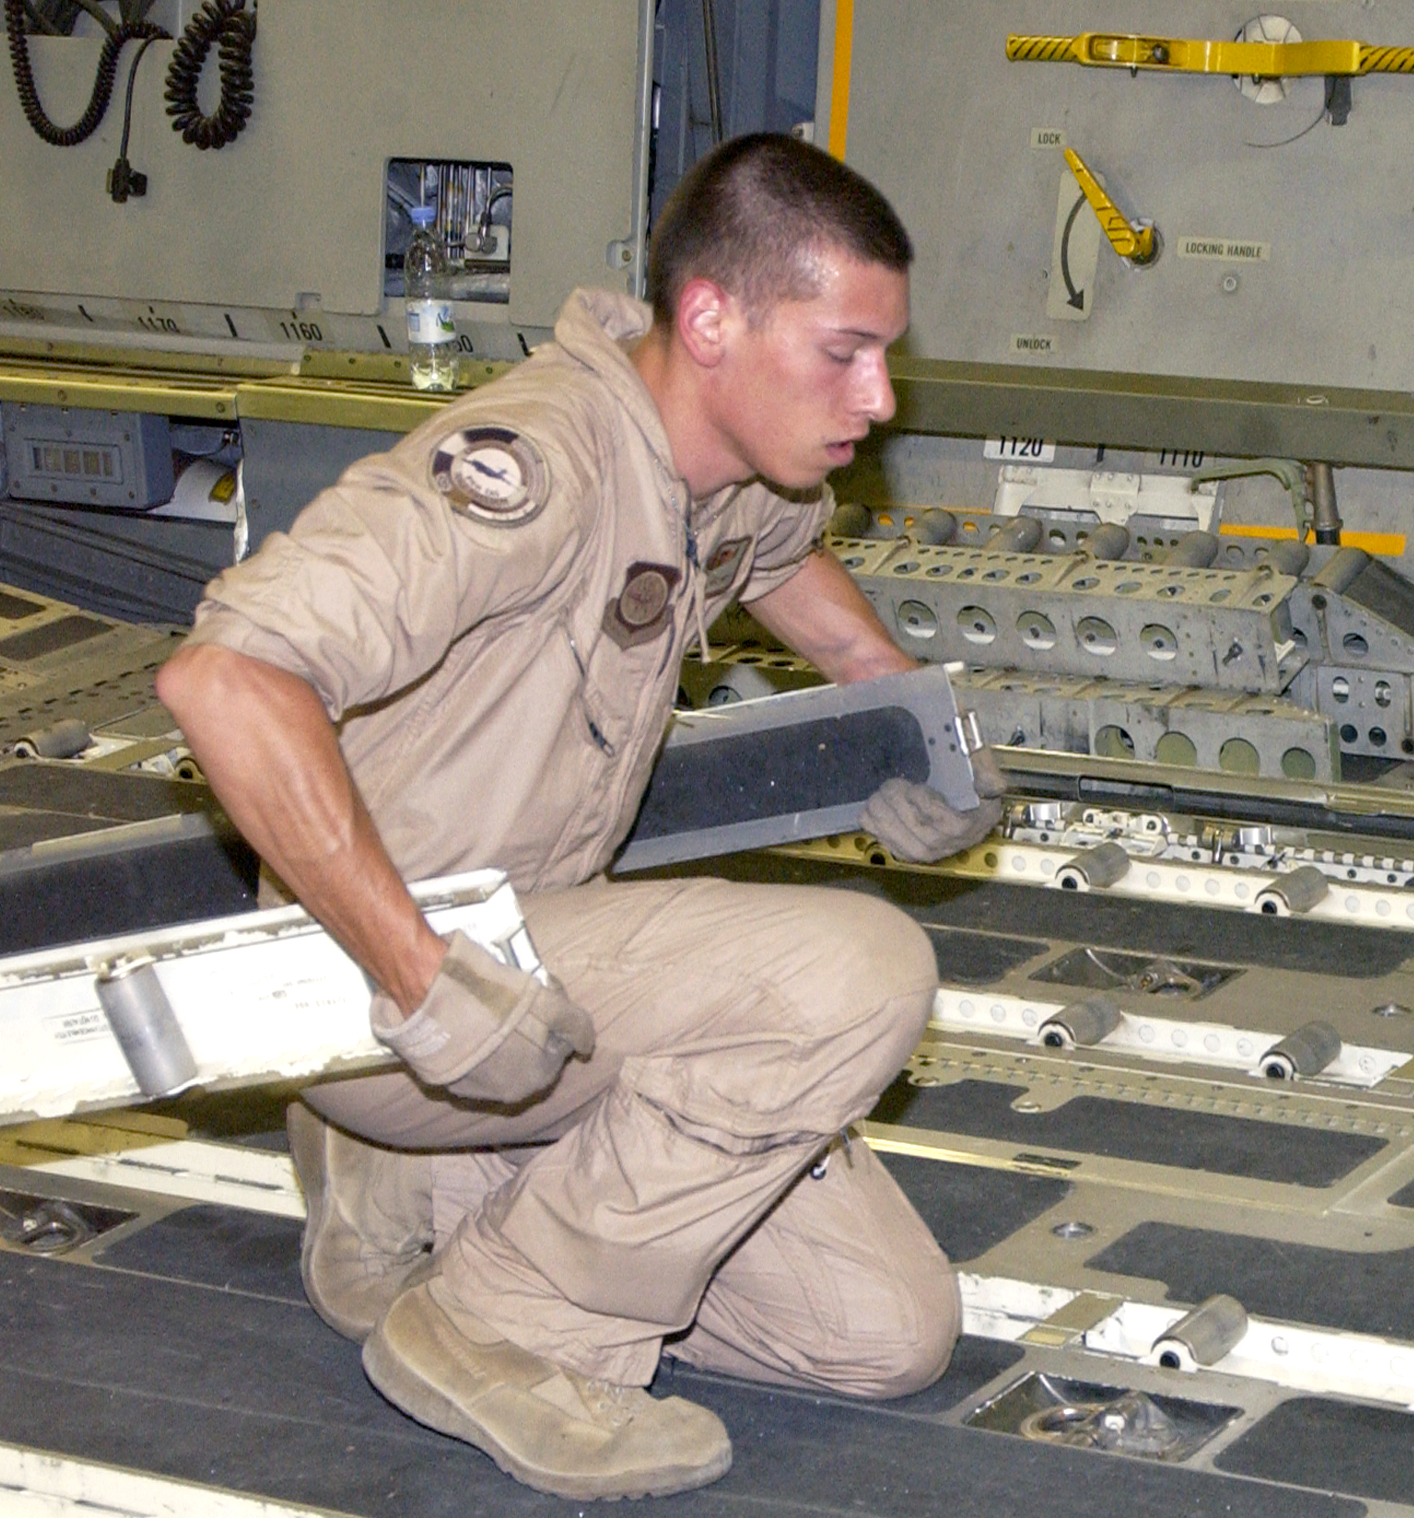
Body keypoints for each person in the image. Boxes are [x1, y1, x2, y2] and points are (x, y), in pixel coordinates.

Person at [155, 133, 1000, 1501]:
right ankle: (495, 1325)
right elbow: (225, 676)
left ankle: (423, 1197)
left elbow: (774, 550)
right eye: (845, 351)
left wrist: (884, 700)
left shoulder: (721, 459)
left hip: (543, 980)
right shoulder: (536, 466)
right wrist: (417, 976)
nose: (881, 396)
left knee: (882, 1332)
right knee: (859, 971)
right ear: (715, 319)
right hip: (396, 984)